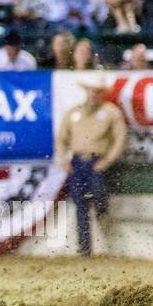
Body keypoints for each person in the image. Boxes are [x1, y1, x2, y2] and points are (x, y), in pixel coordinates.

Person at [55, 77, 127, 255]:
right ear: (86, 91)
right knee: (81, 204)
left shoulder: (110, 112)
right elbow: (61, 138)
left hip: (97, 162)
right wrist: (63, 160)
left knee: (99, 199)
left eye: (96, 91)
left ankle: (106, 238)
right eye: (90, 90)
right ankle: (85, 247)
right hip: (77, 162)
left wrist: (108, 160)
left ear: (101, 93)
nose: (93, 94)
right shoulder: (73, 113)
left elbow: (120, 139)